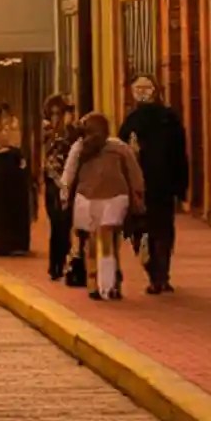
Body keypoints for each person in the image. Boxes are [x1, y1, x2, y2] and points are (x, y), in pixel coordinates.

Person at [61, 112, 145, 301]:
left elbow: (69, 172)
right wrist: (138, 191)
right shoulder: (93, 148)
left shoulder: (106, 148)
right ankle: (105, 283)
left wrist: (65, 193)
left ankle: (100, 284)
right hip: (102, 198)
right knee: (104, 241)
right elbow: (134, 173)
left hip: (100, 199)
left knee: (98, 240)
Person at [119, 74, 189, 294]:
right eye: (137, 88)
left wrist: (180, 186)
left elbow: (180, 154)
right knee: (140, 231)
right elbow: (121, 155)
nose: (142, 92)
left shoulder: (169, 119)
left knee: (163, 230)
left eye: (147, 87)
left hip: (163, 185)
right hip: (139, 187)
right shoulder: (130, 121)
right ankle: (152, 271)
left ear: (156, 90)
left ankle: (161, 275)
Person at [43, 95, 81, 280]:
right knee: (58, 225)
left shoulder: (74, 134)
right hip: (54, 187)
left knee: (66, 226)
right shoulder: (49, 136)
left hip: (70, 186)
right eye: (55, 113)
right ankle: (55, 265)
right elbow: (49, 163)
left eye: (65, 112)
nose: (59, 117)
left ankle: (63, 263)